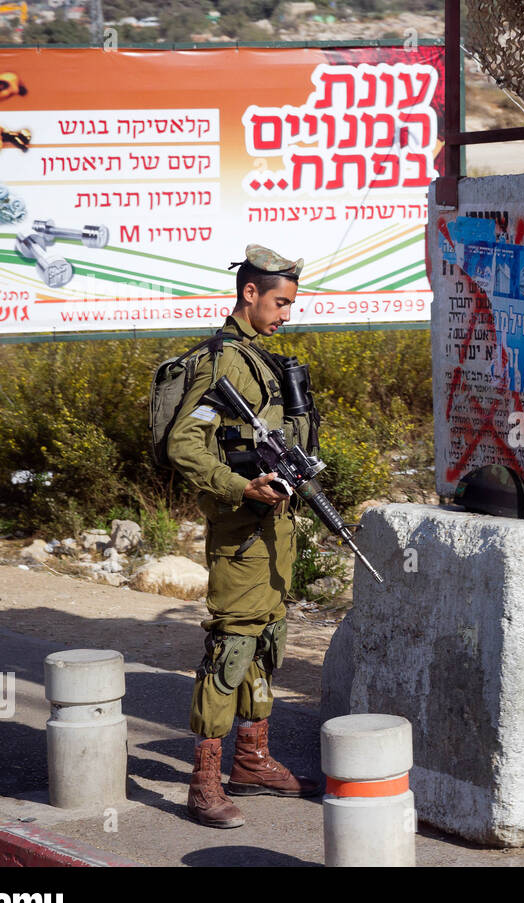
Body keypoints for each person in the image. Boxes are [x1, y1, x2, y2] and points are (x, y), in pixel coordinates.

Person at [165, 244, 323, 828]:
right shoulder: (222, 361)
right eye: (279, 302)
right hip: (241, 528)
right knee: (231, 645)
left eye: (291, 303)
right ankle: (203, 781)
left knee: (264, 640)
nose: (286, 313)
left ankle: (252, 762)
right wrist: (239, 487)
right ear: (249, 293)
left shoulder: (260, 359)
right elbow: (186, 443)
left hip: (273, 527)